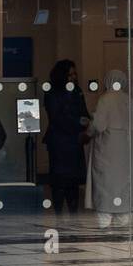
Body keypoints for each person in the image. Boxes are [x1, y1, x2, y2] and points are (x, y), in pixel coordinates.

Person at [88, 69, 133, 229]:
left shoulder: (105, 99)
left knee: (105, 184)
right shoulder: (129, 100)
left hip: (106, 149)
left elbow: (98, 125)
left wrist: (87, 132)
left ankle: (105, 220)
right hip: (126, 149)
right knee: (125, 183)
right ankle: (124, 218)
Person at [43, 59, 90, 215]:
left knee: (72, 182)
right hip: (60, 142)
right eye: (70, 74)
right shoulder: (53, 93)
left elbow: (84, 111)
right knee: (60, 182)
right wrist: (79, 122)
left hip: (70, 141)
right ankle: (60, 214)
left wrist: (85, 120)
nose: (73, 77)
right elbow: (56, 117)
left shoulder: (76, 90)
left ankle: (72, 213)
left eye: (74, 74)